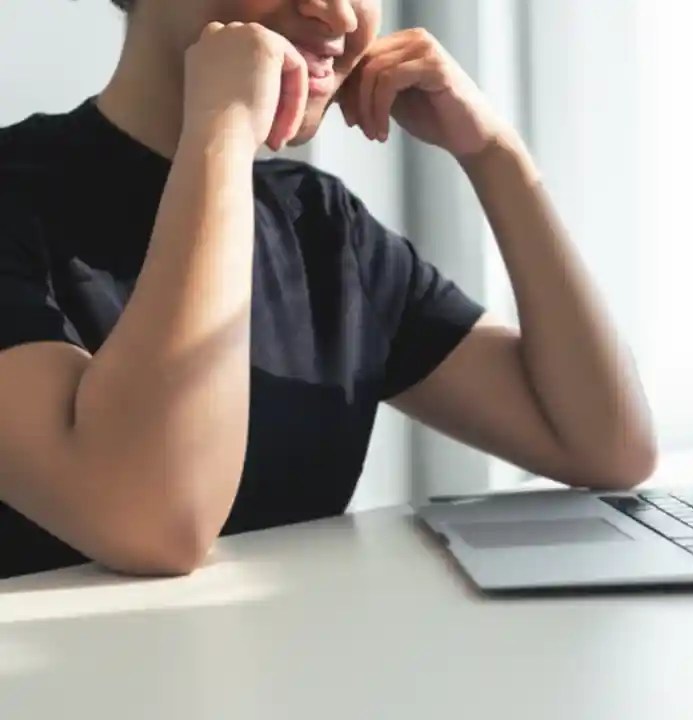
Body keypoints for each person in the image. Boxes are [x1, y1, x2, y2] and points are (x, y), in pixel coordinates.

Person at [0, 0, 657, 579]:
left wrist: (494, 153)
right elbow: (154, 523)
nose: (340, 14)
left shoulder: (322, 226)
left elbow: (607, 445)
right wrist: (222, 131)